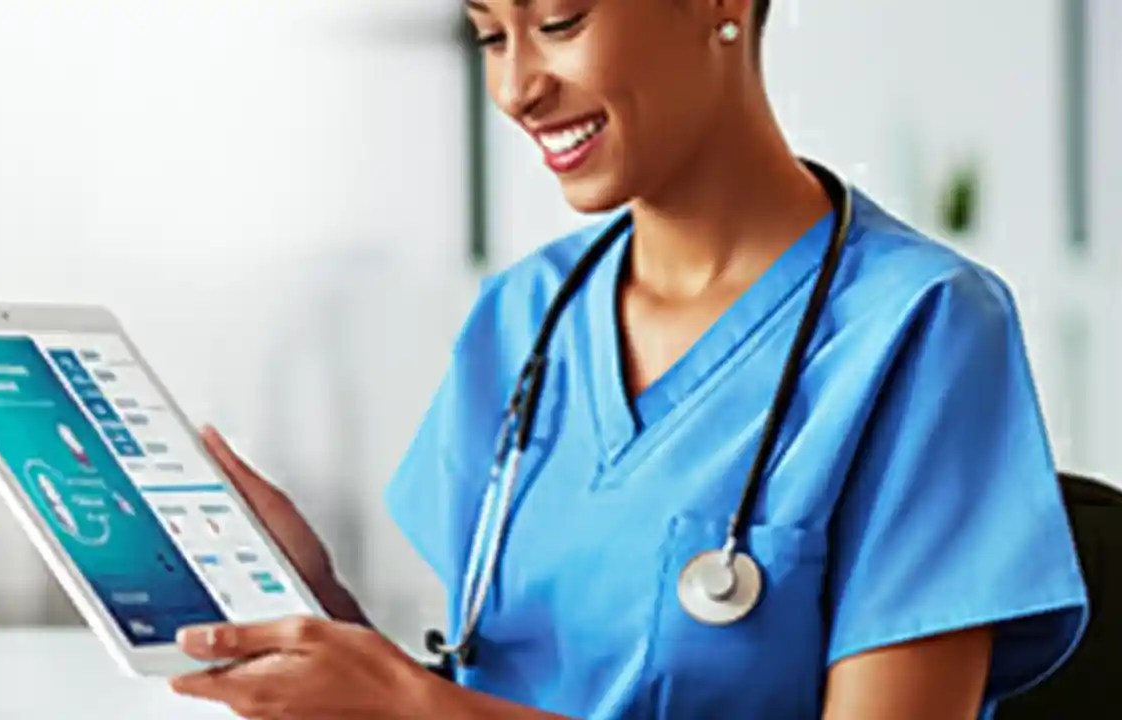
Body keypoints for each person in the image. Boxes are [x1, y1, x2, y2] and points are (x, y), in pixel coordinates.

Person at [168, 0, 1089, 717]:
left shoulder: (920, 328)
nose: (517, 87)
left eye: (560, 23)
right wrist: (316, 607)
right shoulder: (521, 318)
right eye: (490, 36)